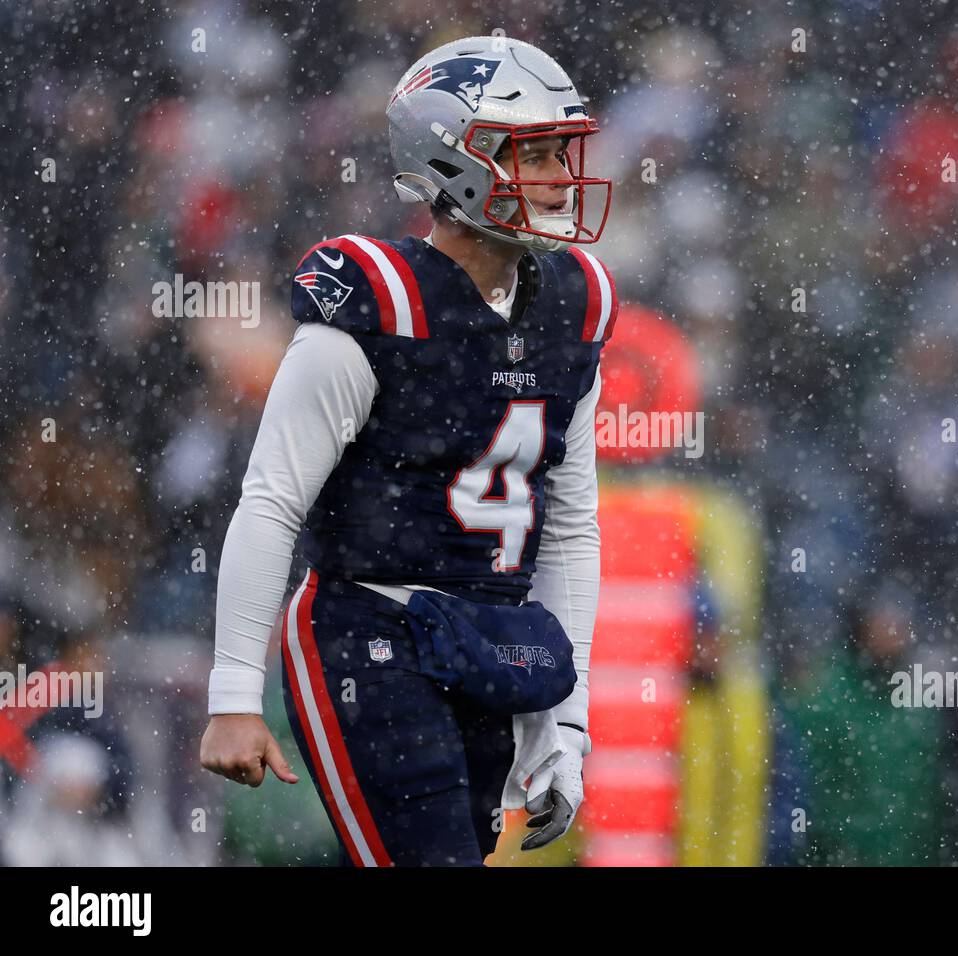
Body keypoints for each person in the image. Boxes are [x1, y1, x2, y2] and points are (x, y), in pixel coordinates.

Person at [199, 35, 617, 866]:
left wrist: (565, 719)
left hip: (491, 643)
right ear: (458, 160)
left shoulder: (576, 303)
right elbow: (272, 500)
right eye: (534, 154)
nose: (560, 178)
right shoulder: (376, 301)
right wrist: (233, 694)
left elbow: (569, 525)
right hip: (371, 632)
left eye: (561, 154)